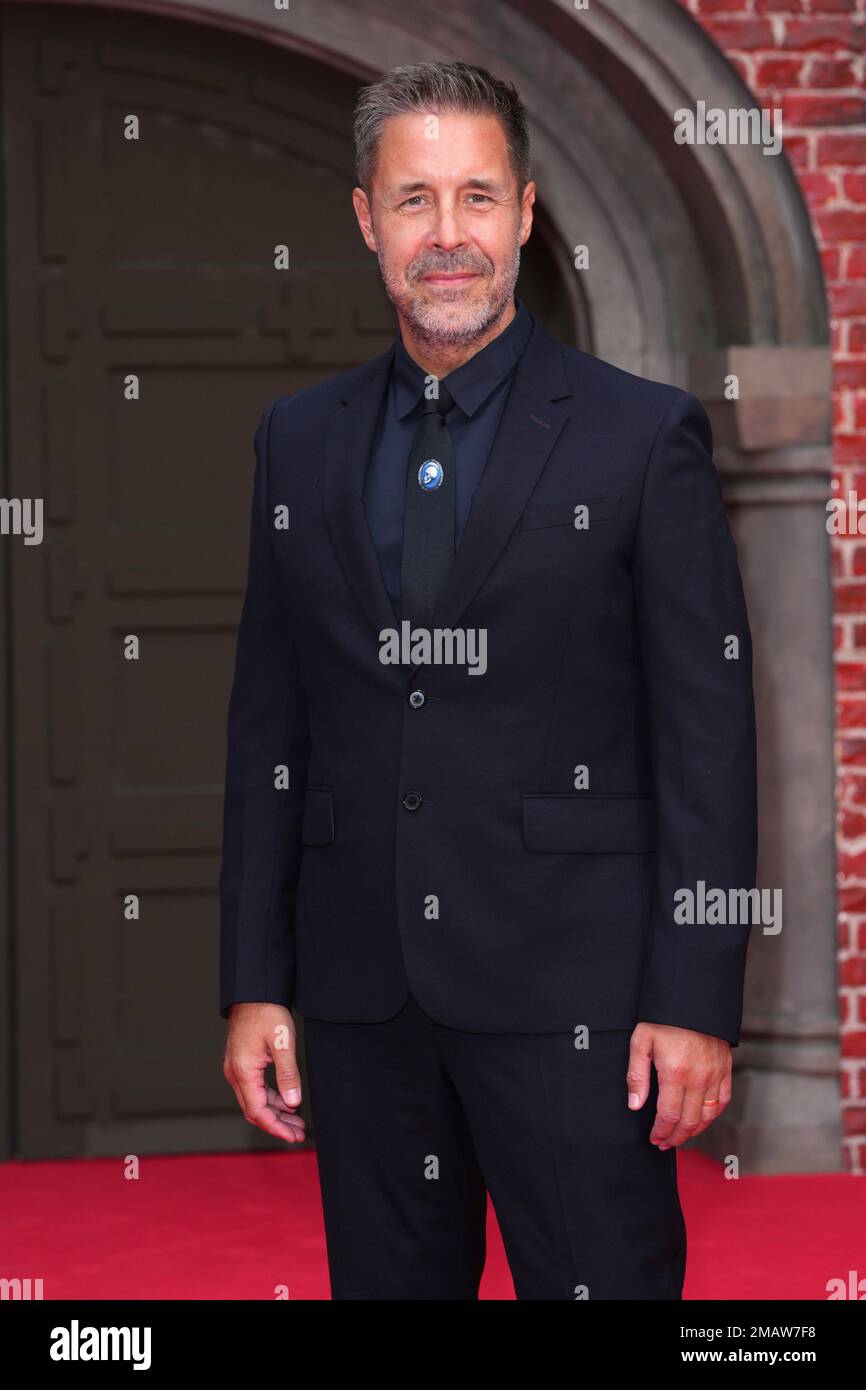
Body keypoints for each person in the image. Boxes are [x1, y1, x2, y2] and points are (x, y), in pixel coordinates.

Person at [219, 60, 758, 1300]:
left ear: (525, 212)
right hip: (361, 1002)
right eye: (413, 200)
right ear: (365, 220)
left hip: (583, 999)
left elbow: (707, 736)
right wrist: (256, 982)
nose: (446, 234)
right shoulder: (293, 441)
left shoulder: (642, 435)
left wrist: (696, 1000)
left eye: (475, 196)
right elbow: (269, 730)